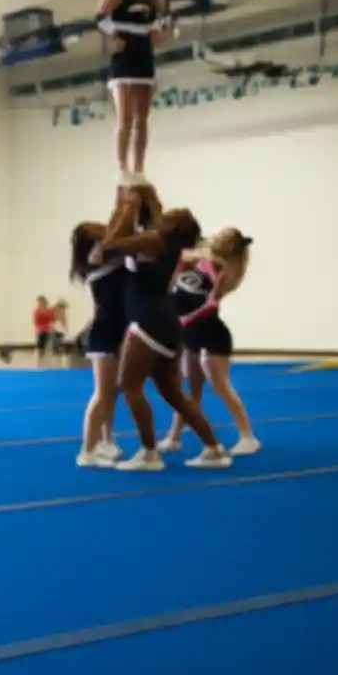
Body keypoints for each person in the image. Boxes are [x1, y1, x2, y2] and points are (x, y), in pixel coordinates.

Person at [100, 186, 230, 471]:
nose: (163, 214)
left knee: (130, 386)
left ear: (170, 225)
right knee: (173, 393)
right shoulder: (169, 244)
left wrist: (127, 208)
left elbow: (110, 243)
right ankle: (214, 448)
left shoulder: (153, 240)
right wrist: (143, 192)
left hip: (149, 323)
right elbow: (157, 211)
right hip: (168, 323)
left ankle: (149, 453)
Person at [160, 227, 261, 455]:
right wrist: (197, 254)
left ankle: (248, 436)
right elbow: (176, 256)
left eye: (225, 238)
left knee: (221, 387)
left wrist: (201, 256)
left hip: (211, 333)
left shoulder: (222, 268)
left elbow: (188, 260)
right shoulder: (200, 258)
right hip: (189, 333)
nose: (218, 238)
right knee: (189, 393)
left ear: (231, 248)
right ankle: (173, 437)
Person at [96, 0, 171, 185]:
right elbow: (100, 18)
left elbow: (158, 35)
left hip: (144, 60)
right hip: (124, 61)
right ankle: (122, 167)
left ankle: (138, 168)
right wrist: (116, 36)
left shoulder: (151, 0)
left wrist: (164, 31)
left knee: (142, 119)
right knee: (125, 117)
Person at [69, 221, 125, 467]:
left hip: (118, 330)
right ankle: (87, 450)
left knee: (112, 392)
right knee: (103, 392)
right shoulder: (95, 258)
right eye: (100, 235)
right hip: (103, 332)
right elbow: (116, 237)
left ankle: (107, 440)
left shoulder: (110, 257)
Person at [33, 296, 56, 364]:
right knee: (40, 340)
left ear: (45, 302)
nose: (41, 304)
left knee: (46, 340)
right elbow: (36, 320)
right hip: (40, 328)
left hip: (47, 328)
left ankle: (44, 352)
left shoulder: (48, 310)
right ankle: (40, 352)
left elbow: (53, 318)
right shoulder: (37, 310)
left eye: (42, 302)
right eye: (39, 303)